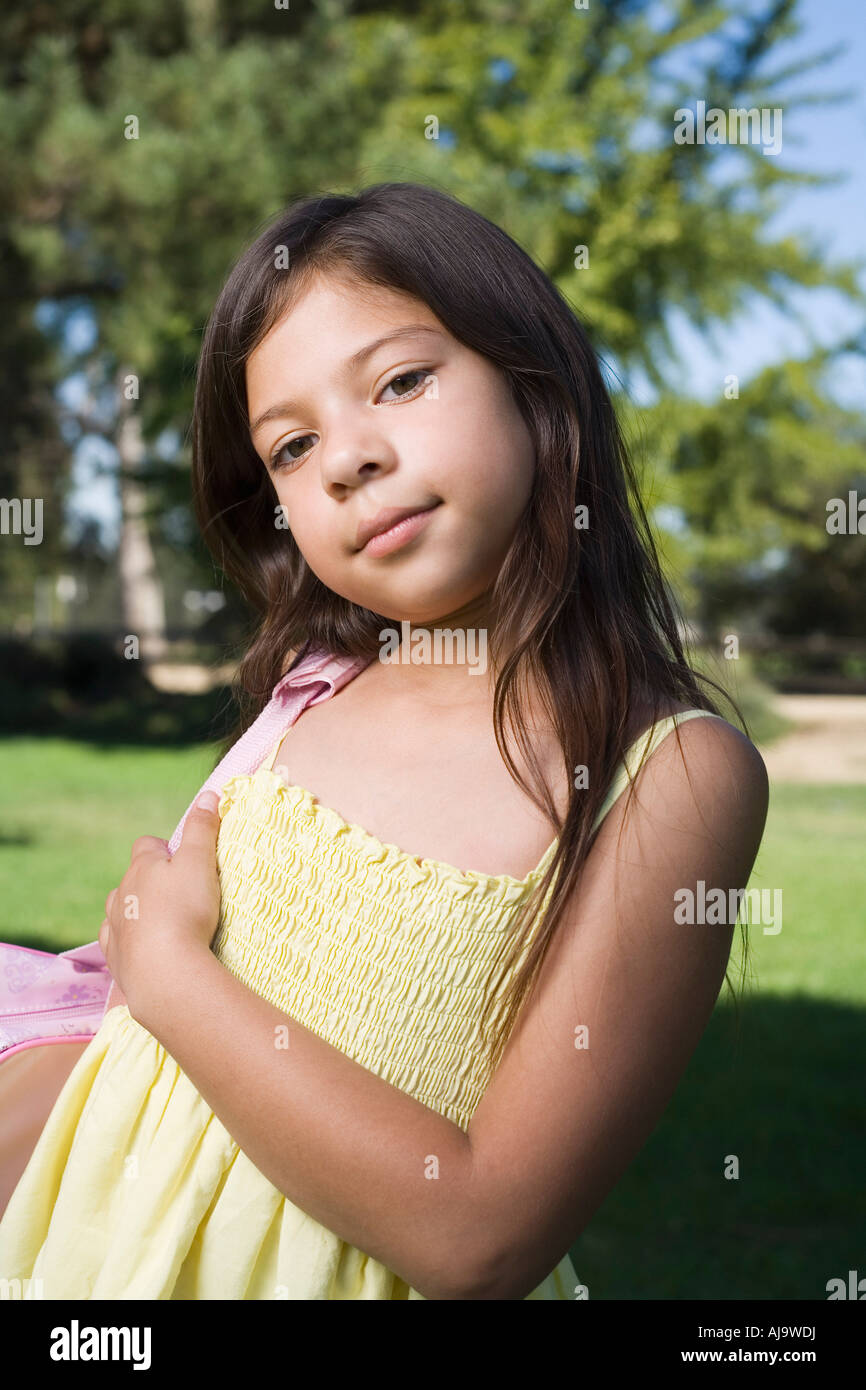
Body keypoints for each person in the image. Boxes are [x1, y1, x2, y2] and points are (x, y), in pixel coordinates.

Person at [0, 182, 768, 1300]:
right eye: (293, 446)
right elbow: (120, 1061)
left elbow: (481, 1237)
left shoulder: (670, 776)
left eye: (401, 381)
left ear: (529, 380)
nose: (347, 458)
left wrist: (167, 973)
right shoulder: (307, 698)